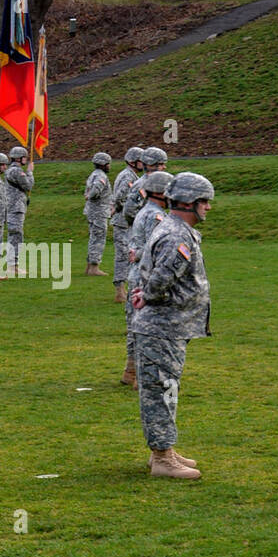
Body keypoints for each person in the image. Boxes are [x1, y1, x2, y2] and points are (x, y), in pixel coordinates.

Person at [130, 172, 214, 480]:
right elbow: (162, 278)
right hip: (162, 327)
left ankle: (164, 449)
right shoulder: (176, 235)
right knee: (160, 391)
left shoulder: (175, 229)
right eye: (204, 201)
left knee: (166, 388)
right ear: (189, 202)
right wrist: (148, 294)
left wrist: (146, 293)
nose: (208, 207)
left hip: (169, 326)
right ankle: (162, 457)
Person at [120, 169, 171, 386]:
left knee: (136, 325)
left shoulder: (144, 211)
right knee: (148, 328)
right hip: (146, 276)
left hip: (136, 274)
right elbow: (154, 247)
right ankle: (141, 376)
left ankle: (131, 371)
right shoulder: (155, 216)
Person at [110, 148, 145, 301]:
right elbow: (120, 198)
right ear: (132, 162)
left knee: (128, 254)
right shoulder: (127, 176)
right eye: (141, 161)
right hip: (123, 222)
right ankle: (120, 291)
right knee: (123, 255)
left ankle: (125, 289)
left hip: (127, 222)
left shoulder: (132, 175)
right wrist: (128, 210)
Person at [4, 146, 34, 274]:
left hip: (13, 206)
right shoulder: (16, 171)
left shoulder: (11, 170)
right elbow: (28, 186)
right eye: (24, 157)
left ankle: (13, 264)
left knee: (15, 235)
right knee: (16, 235)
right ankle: (12, 266)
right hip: (15, 207)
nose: (26, 159)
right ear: (18, 158)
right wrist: (30, 172)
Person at [83, 153, 112, 277]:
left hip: (92, 211)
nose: (109, 166)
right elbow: (95, 191)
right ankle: (94, 267)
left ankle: (89, 267)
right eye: (108, 164)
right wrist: (90, 196)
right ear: (103, 164)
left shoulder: (93, 174)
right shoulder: (101, 176)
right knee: (99, 239)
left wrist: (88, 195)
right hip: (99, 212)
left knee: (93, 238)